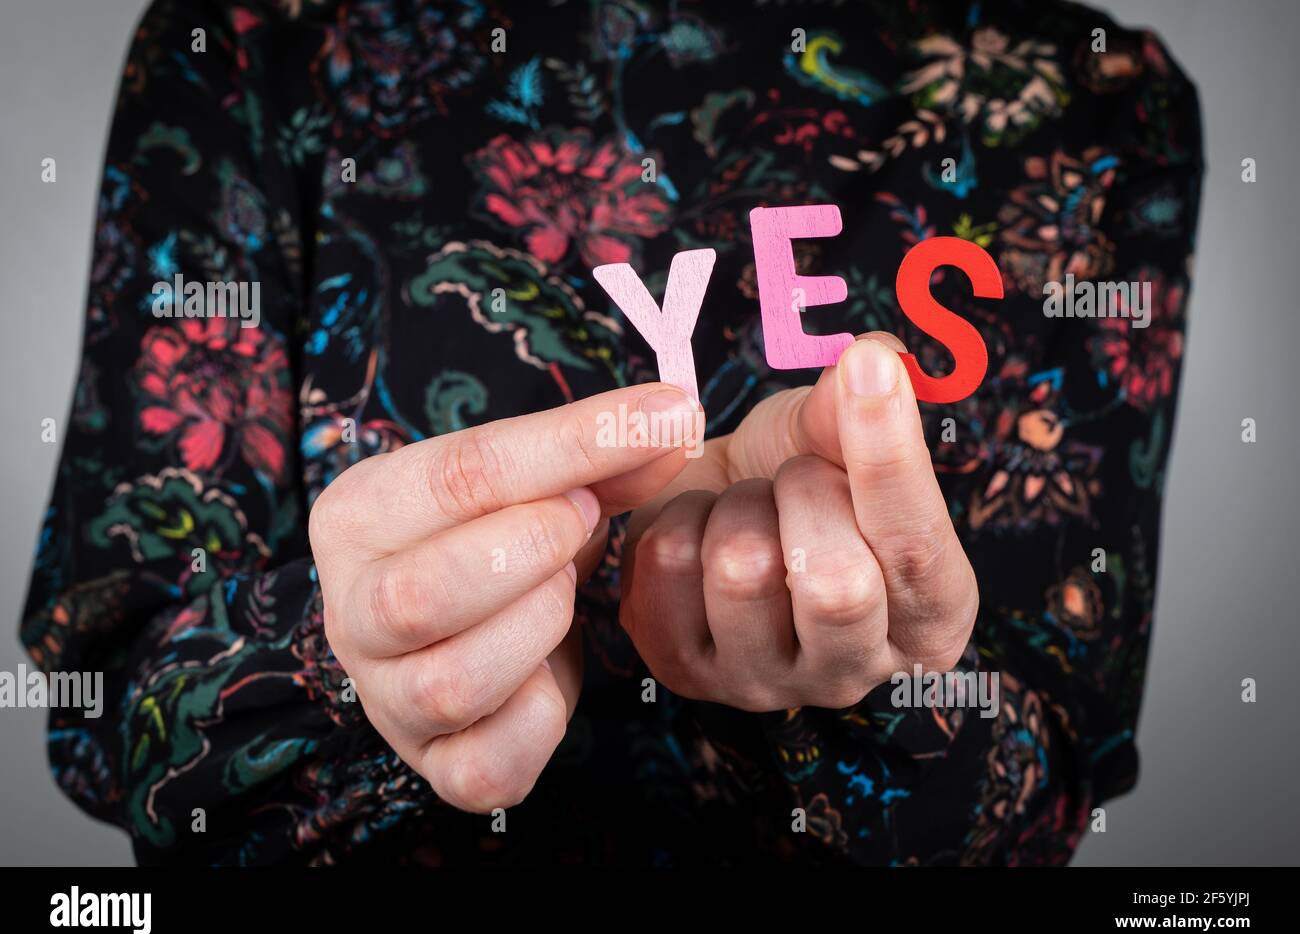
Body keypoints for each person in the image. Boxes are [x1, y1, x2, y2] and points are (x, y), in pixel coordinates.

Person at [20, 0, 1202, 864]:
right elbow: (110, 712)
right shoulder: (256, 42)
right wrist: (359, 661)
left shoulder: (1088, 104)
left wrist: (881, 680)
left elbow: (1047, 788)